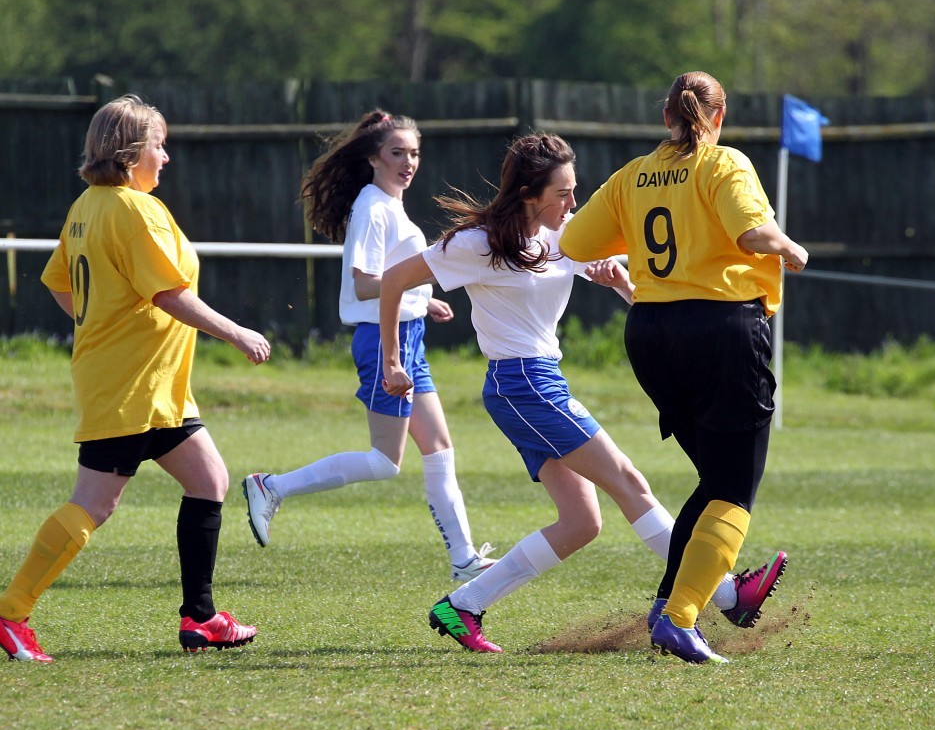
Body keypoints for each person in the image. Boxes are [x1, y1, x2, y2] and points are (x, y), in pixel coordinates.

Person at [378, 133, 680, 654]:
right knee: (629, 480)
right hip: (520, 385)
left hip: (541, 383)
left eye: (574, 191)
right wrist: (391, 360)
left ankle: (463, 605)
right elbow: (392, 280)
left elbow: (634, 296)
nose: (573, 204)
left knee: (582, 523)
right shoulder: (476, 244)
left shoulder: (566, 238)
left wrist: (620, 284)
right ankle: (722, 593)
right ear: (527, 194)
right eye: (563, 193)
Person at [0, 94, 270, 663]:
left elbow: (57, 284)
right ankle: (11, 612)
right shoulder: (132, 209)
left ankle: (201, 618)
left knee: (209, 479)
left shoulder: (87, 205)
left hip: (155, 386)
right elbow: (170, 294)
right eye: (158, 144)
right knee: (94, 504)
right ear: (129, 153)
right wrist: (237, 332)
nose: (166, 157)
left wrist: (101, 321)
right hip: (129, 384)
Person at [560, 70, 809, 664]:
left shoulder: (632, 175)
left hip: (651, 335)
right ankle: (680, 617)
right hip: (721, 331)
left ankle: (674, 600)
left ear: (665, 117)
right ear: (717, 117)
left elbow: (573, 242)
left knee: (715, 479)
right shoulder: (723, 164)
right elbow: (751, 235)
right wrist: (791, 247)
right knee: (733, 486)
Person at [241, 110, 496, 582]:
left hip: (407, 334)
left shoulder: (390, 205)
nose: (408, 162)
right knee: (384, 463)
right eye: (397, 153)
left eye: (414, 153)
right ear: (374, 157)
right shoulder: (374, 207)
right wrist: (413, 297)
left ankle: (464, 560)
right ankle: (271, 486)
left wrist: (424, 299)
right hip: (385, 342)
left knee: (439, 447)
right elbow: (363, 286)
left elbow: (395, 279)